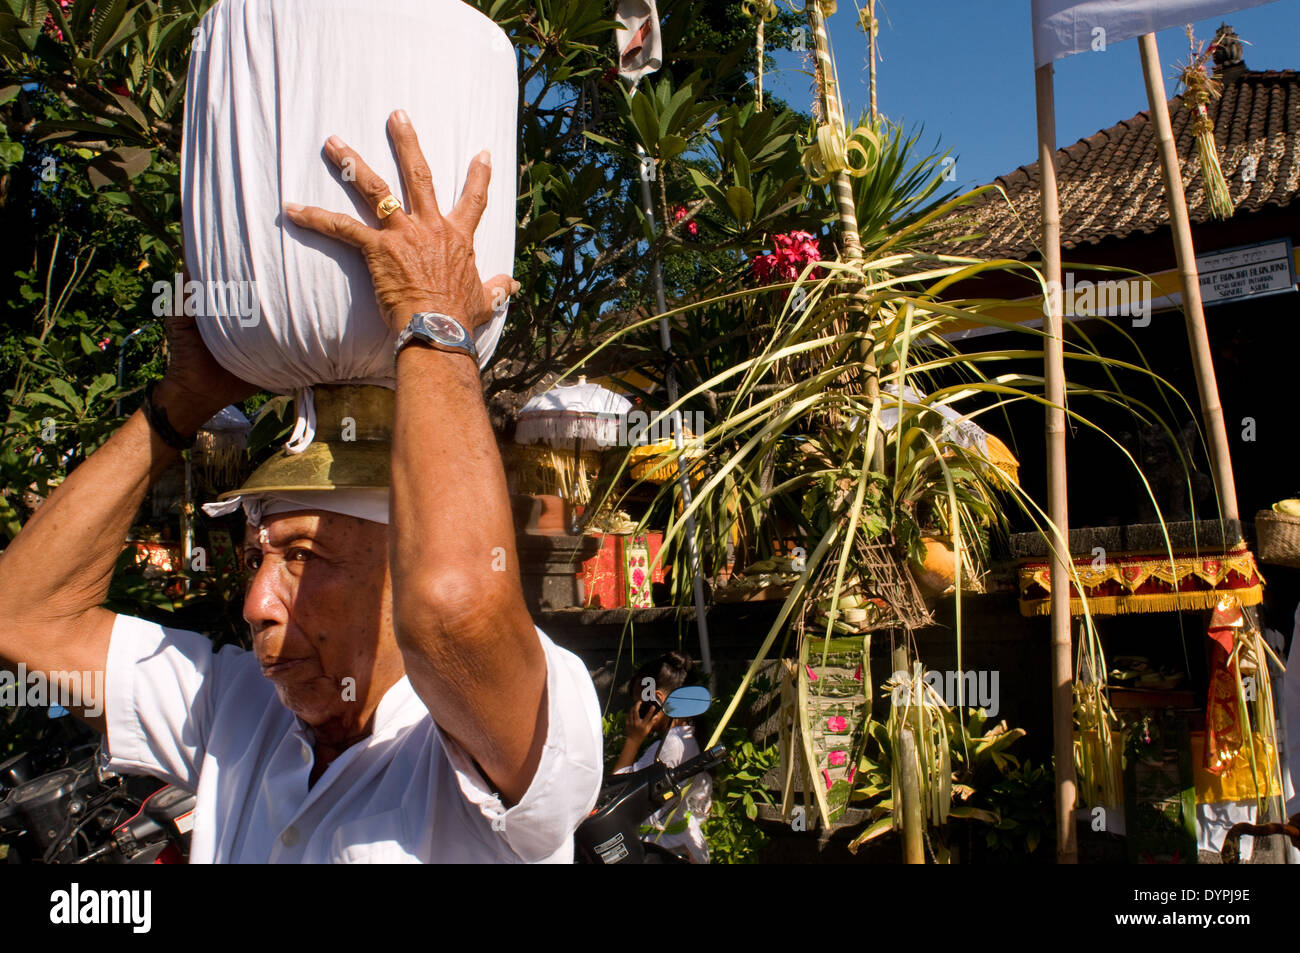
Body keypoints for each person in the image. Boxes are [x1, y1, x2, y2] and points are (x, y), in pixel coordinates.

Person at [0, 112, 603, 862]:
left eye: (304, 557)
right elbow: (21, 614)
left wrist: (435, 320)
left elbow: (457, 605)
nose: (255, 604)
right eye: (262, 556)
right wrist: (180, 403)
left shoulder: (508, 722)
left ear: (399, 568)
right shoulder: (238, 711)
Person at [613, 651, 712, 863]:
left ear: (656, 700)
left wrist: (633, 740)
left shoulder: (670, 747)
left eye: (638, 703)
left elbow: (619, 792)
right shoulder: (690, 738)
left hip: (665, 849)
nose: (635, 711)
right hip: (684, 842)